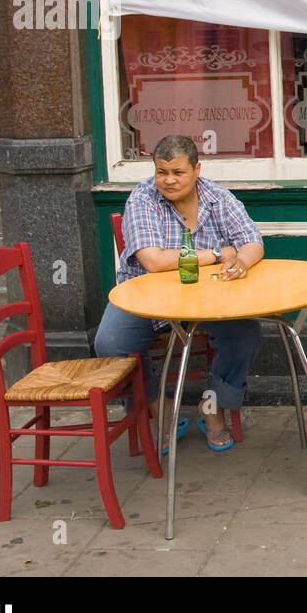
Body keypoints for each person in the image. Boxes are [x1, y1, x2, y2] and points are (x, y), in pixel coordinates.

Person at [94, 134, 264, 453]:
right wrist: (217, 254)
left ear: (196, 170)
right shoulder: (143, 199)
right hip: (146, 295)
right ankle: (161, 409)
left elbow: (253, 241)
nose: (168, 181)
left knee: (246, 333)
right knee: (110, 343)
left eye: (178, 172)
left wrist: (241, 260)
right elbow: (153, 261)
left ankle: (212, 407)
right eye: (162, 172)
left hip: (210, 297)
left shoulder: (218, 197)